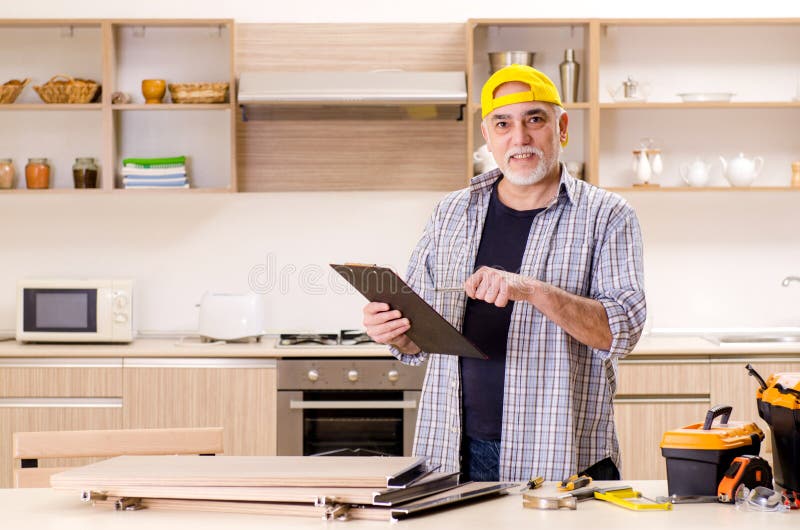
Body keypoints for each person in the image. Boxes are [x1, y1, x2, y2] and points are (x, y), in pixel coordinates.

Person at [362, 64, 646, 482]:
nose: (520, 137)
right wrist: (394, 330)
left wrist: (532, 290)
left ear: (562, 128)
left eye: (535, 119)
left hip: (561, 454)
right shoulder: (451, 212)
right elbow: (419, 333)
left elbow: (622, 331)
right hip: (454, 451)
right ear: (488, 136)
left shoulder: (608, 215)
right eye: (503, 123)